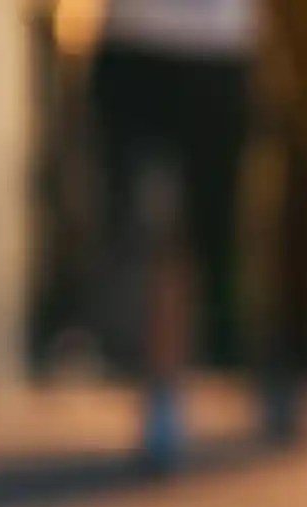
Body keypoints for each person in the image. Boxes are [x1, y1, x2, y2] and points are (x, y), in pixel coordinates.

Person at [88, 0, 263, 472]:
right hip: (135, 48)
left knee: (191, 236)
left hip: (218, 52)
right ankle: (158, 386)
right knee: (147, 224)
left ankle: (167, 388)